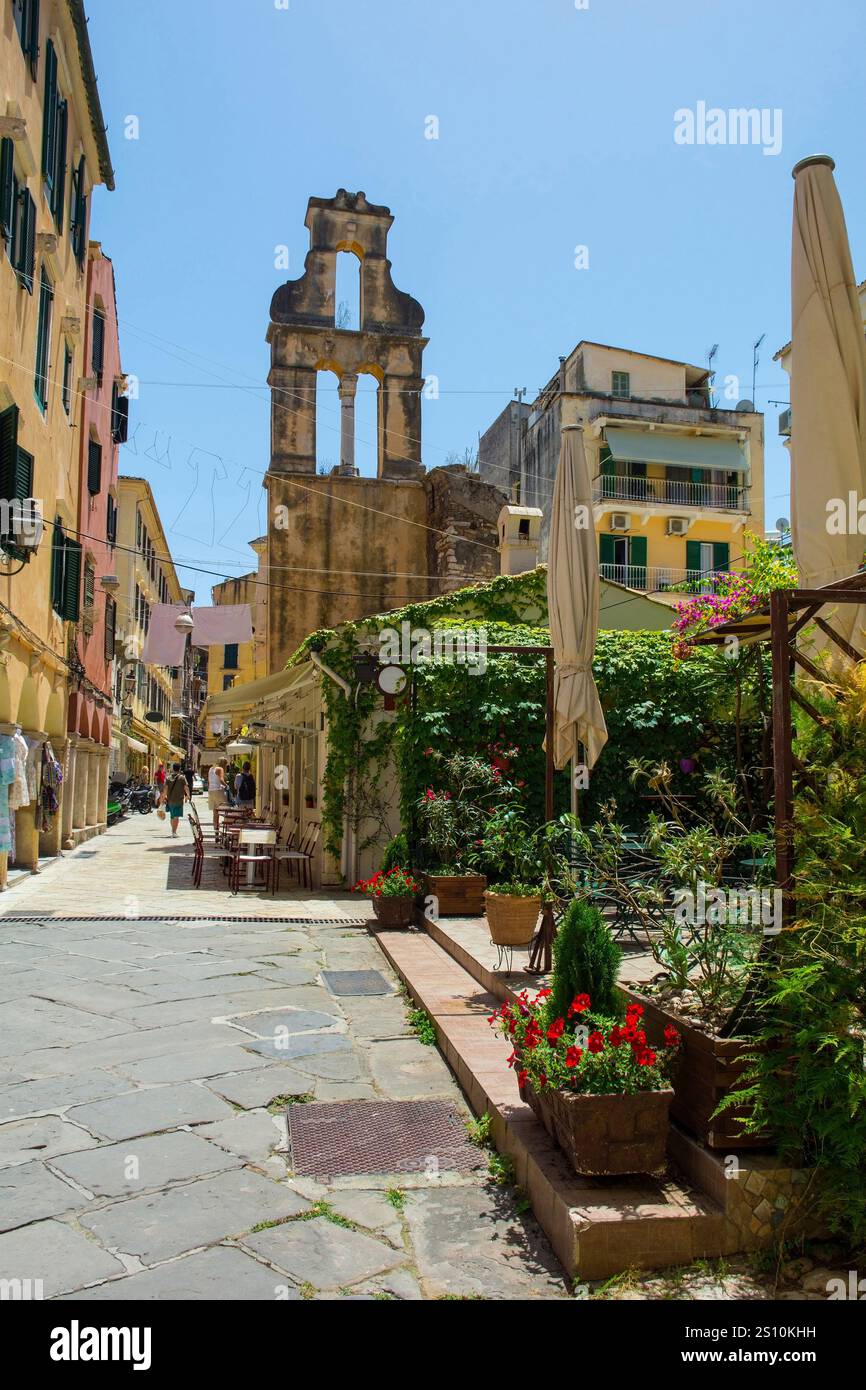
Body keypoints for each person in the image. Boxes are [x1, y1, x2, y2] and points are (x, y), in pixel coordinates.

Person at [161, 762, 190, 838]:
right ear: (180, 769)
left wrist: (163, 798)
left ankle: (173, 830)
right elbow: (186, 787)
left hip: (170, 800)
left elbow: (165, 789)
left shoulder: (168, 778)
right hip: (179, 800)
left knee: (172, 816)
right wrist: (188, 796)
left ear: (173, 769)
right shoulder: (182, 778)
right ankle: (174, 832)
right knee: (176, 817)